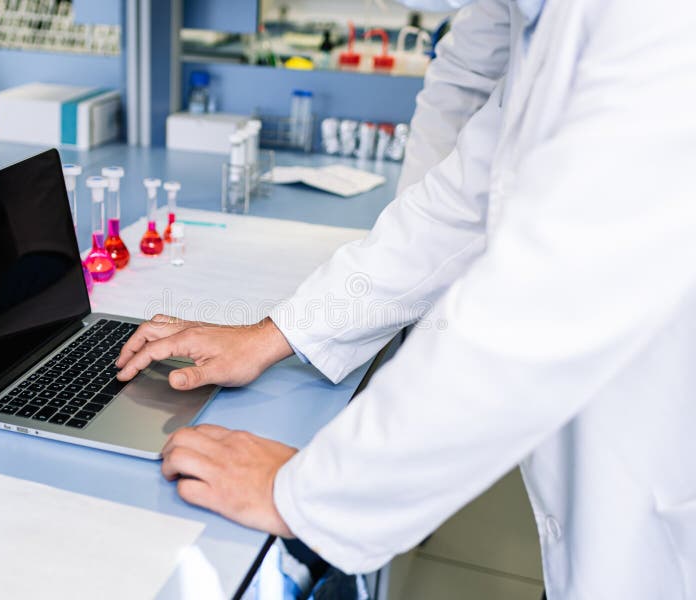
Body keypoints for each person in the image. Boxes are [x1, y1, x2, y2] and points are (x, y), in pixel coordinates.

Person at [115, 0, 696, 597]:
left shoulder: (655, 23)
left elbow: (536, 310)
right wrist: (276, 334)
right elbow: (464, 202)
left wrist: (308, 495)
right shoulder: (548, 21)